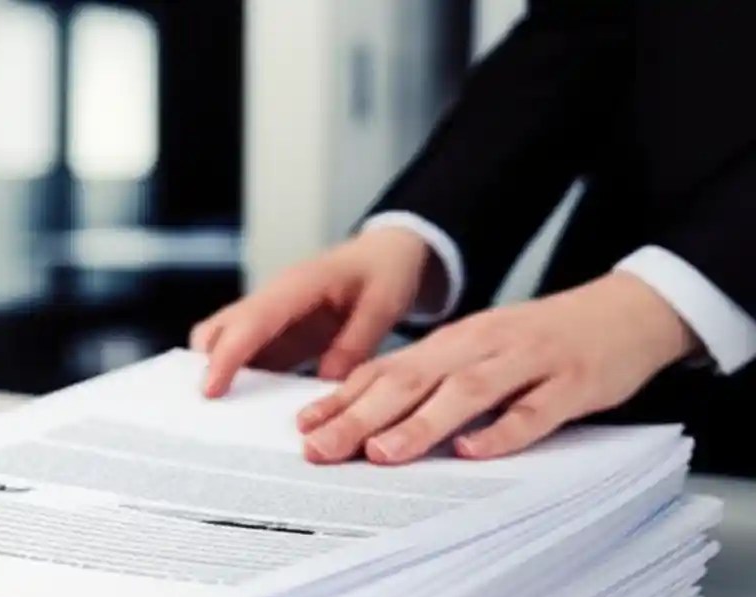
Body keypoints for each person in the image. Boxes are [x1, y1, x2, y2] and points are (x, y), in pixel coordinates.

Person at [191, 0, 756, 474]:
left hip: (647, 333)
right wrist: (416, 232)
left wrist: (668, 301)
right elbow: (584, 25)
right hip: (602, 398)